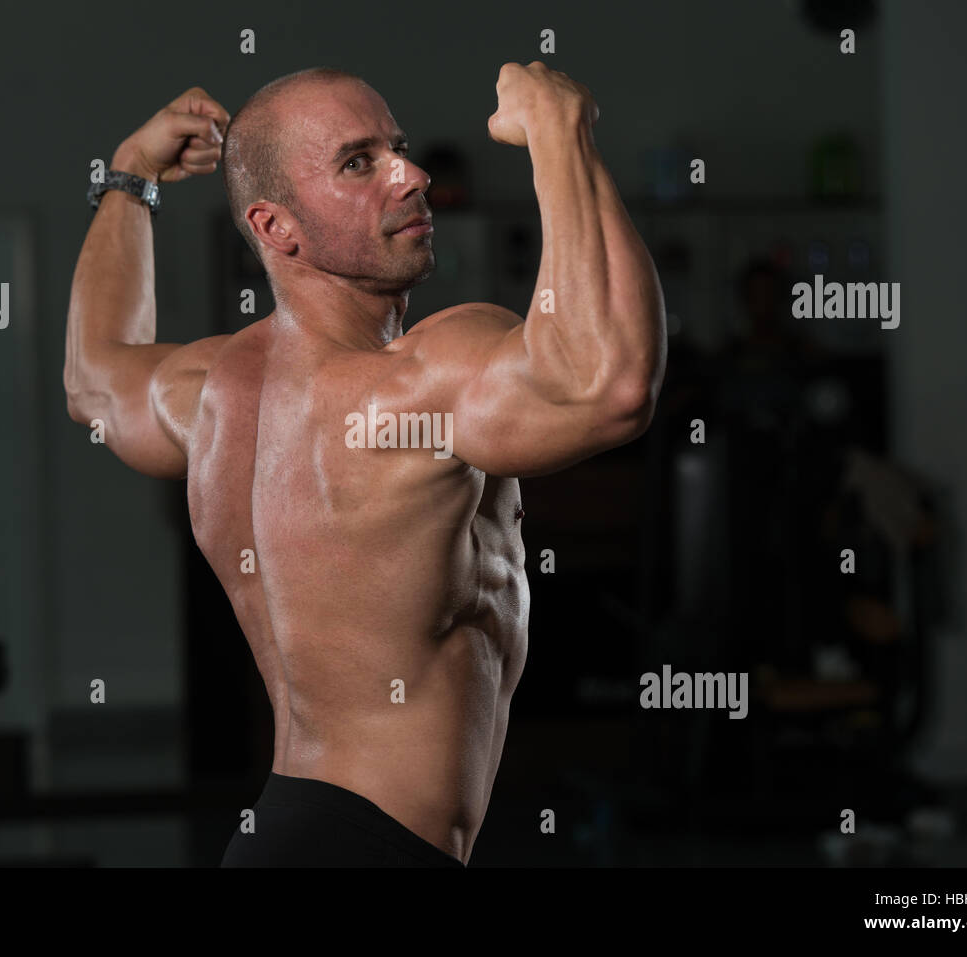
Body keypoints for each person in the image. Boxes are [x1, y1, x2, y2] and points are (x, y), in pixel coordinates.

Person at [64, 63, 666, 866]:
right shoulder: (416, 384)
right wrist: (560, 132)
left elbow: (97, 379)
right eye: (358, 162)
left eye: (400, 149)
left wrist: (131, 174)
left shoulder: (206, 394)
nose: (412, 175)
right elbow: (611, 384)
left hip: (282, 836)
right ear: (277, 229)